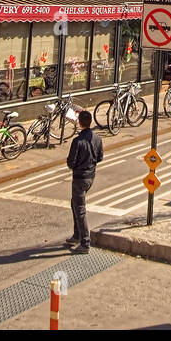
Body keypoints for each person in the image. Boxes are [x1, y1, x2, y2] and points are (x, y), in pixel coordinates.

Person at [64, 109, 103, 254]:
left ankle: (85, 242)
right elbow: (100, 157)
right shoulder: (97, 138)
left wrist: (75, 166)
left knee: (79, 208)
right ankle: (77, 234)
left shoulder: (77, 141)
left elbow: (71, 162)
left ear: (79, 123)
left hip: (80, 178)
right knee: (75, 203)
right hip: (90, 176)